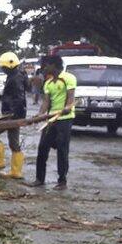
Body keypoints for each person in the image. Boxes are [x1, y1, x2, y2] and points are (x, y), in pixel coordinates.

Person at [29, 55, 76, 190]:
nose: (43, 68)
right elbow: (46, 102)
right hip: (51, 119)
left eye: (45, 65)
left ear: (53, 65)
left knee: (62, 149)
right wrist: (40, 114)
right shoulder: (48, 83)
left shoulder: (68, 78)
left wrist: (67, 107)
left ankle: (62, 181)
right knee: (42, 147)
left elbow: (71, 97)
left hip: (65, 119)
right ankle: (39, 179)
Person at [0, 51, 26, 179]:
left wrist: (12, 116)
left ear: (9, 66)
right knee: (13, 141)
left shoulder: (15, 79)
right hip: (14, 114)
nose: (2, 69)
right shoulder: (16, 76)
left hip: (12, 115)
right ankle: (16, 171)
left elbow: (19, 98)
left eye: (3, 67)